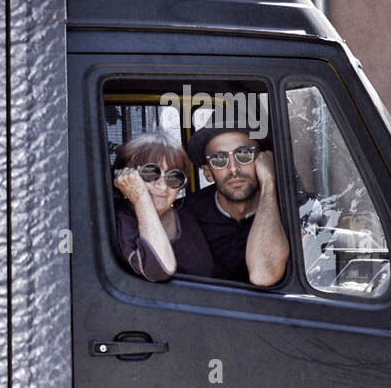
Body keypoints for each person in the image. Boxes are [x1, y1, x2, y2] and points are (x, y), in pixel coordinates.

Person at [186, 121, 289, 287]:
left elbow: (264, 274)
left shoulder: (292, 209)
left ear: (264, 161)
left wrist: (268, 183)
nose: (233, 169)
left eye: (244, 154)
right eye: (219, 159)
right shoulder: (188, 215)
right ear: (208, 173)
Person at [112, 133, 214, 281]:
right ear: (128, 176)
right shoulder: (119, 219)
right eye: (151, 173)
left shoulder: (186, 215)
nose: (163, 186)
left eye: (174, 177)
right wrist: (141, 197)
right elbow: (160, 269)